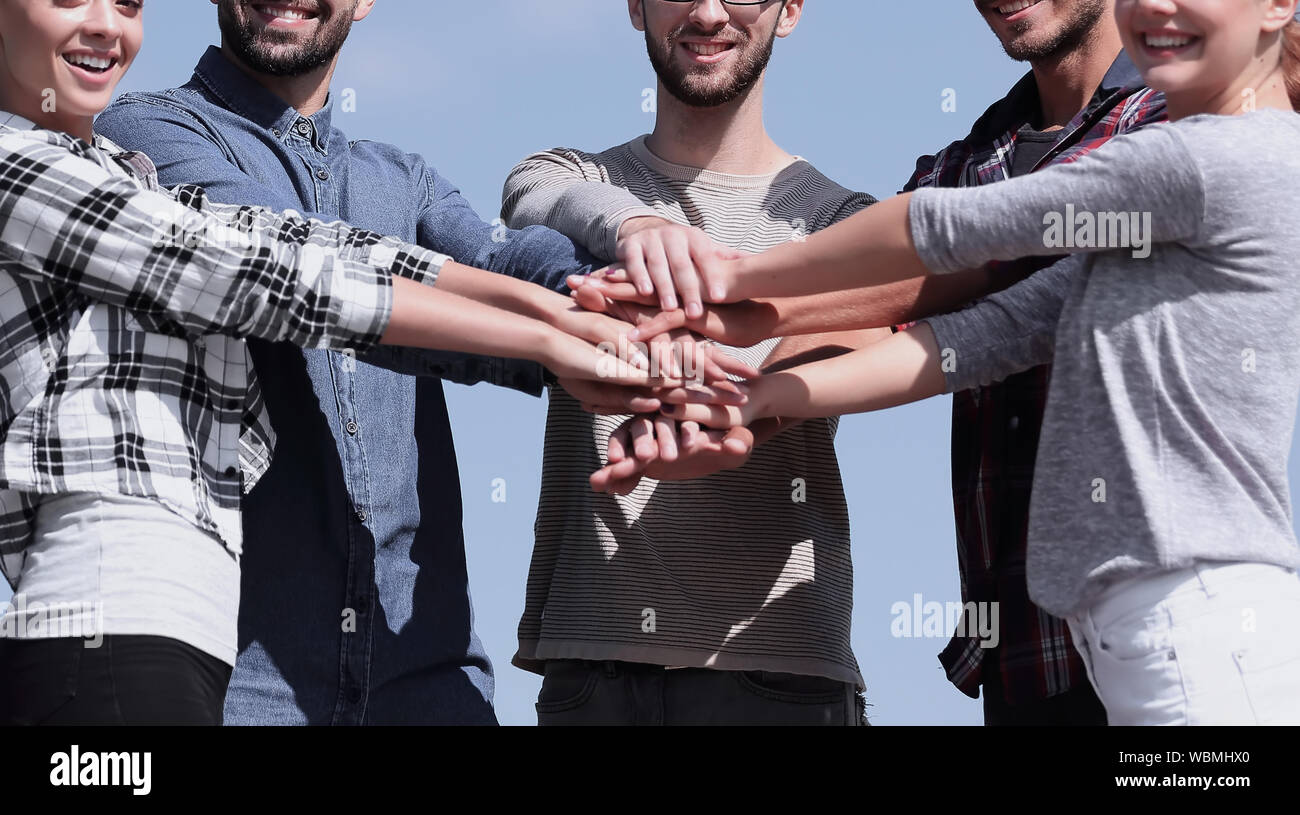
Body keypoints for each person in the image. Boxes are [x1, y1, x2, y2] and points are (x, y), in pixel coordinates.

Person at [623, 0, 1300, 726]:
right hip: (1054, 647)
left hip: (1196, 635)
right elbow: (981, 334)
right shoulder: (975, 161)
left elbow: (959, 233)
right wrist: (755, 396)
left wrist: (736, 285)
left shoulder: (1187, 142)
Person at [0, 0, 658, 726]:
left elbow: (445, 256)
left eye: (125, 3)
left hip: (422, 681)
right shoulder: (142, 140)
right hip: (225, 671)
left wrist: (597, 304)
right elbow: (275, 269)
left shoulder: (399, 178)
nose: (102, 24)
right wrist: (550, 339)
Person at [498, 0, 886, 725]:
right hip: (592, 671)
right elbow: (531, 195)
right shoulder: (573, 179)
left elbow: (872, 324)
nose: (709, 12)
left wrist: (744, 400)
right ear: (637, 7)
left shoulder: (843, 221)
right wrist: (638, 228)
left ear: (792, 9)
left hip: (780, 670)